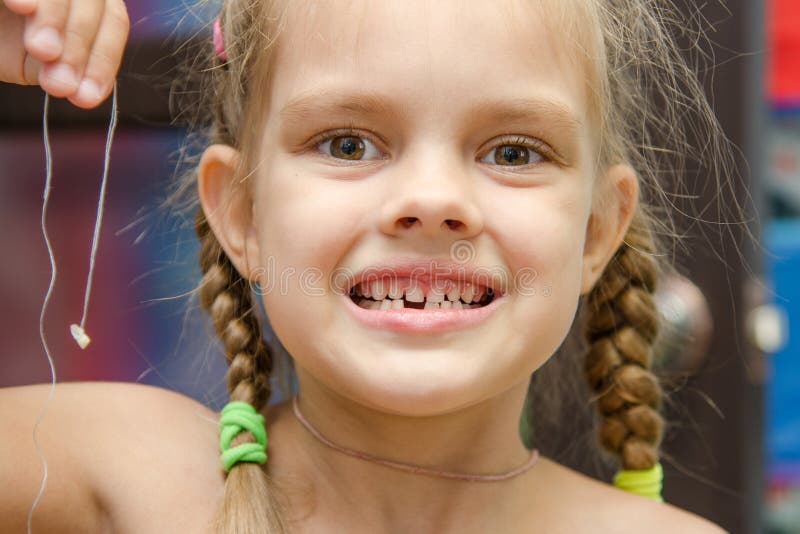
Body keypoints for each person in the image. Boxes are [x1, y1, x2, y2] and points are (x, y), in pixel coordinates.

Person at [0, 0, 736, 532]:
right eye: (348, 144)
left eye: (513, 152)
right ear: (244, 215)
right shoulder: (120, 470)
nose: (431, 201)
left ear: (595, 234)